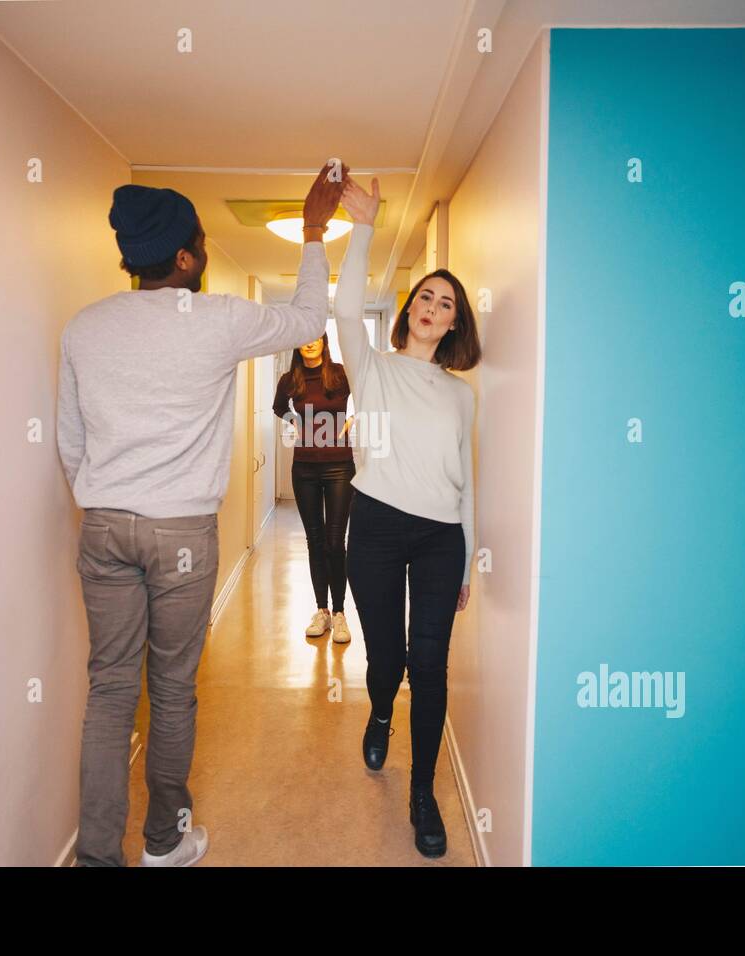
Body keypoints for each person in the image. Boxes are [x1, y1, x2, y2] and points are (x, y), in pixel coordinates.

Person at [56, 163, 348, 867]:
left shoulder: (85, 327)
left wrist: (106, 499)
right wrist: (312, 231)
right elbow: (310, 319)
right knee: (173, 690)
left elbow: (70, 443)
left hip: (103, 525)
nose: (208, 252)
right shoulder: (217, 318)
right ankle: (164, 842)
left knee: (109, 692)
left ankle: (98, 859)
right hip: (180, 531)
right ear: (184, 258)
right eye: (203, 243)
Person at [334, 174, 481, 858]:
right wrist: (362, 226)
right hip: (377, 526)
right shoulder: (374, 368)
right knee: (387, 657)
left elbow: (465, 478)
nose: (432, 305)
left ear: (455, 322)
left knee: (432, 664)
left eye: (444, 302)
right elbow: (342, 305)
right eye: (425, 295)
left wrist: (469, 554)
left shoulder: (462, 396)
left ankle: (423, 795)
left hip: (439, 537)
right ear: (409, 311)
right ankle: (381, 709)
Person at [273, 333, 356, 643]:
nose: (309, 343)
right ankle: (321, 611)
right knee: (315, 541)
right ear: (298, 344)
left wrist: (353, 421)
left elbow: (373, 394)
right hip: (304, 467)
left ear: (324, 342)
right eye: (304, 338)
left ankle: (340, 613)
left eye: (315, 338)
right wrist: (293, 420)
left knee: (335, 542)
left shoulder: (340, 373)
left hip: (339, 466)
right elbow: (278, 406)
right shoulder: (290, 379)